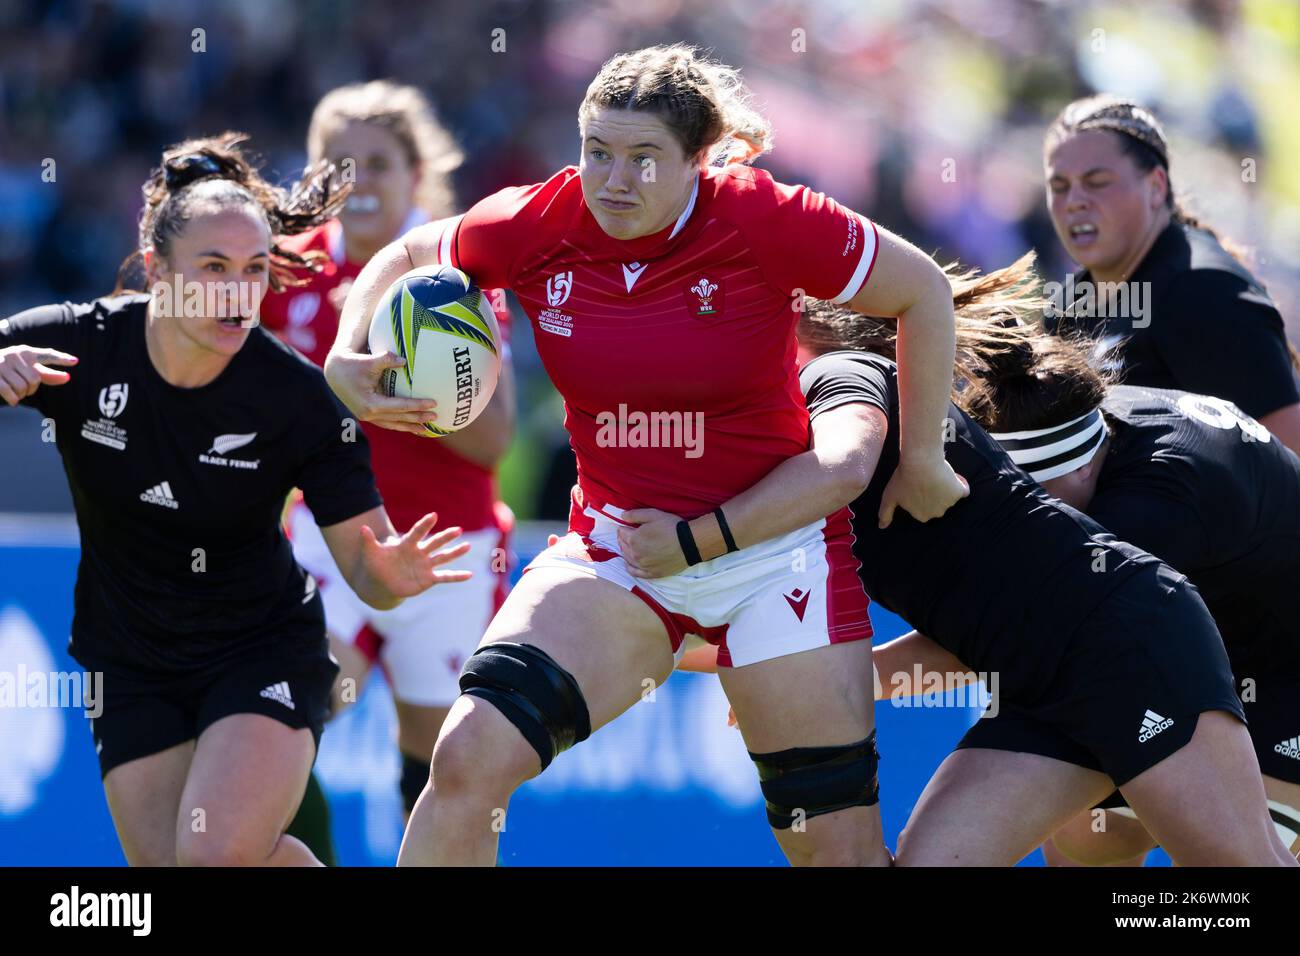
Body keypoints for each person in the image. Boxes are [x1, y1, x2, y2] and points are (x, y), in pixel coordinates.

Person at [327, 44, 970, 867]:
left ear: (698, 162)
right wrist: (349, 353)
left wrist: (921, 458)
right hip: (616, 554)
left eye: (642, 159)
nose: (612, 180)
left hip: (777, 559)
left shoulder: (762, 216)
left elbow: (923, 288)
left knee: (835, 856)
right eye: (596, 150)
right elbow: (414, 254)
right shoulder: (541, 220)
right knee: (463, 765)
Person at [635, 265, 1294, 865]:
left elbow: (844, 468)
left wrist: (694, 545)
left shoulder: (840, 377)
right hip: (1042, 682)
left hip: (1131, 648)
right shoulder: (767, 433)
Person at [0, 134, 470, 866]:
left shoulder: (299, 398)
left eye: (253, 271)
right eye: (212, 268)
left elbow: (367, 564)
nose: (235, 292)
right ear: (158, 271)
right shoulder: (82, 347)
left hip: (261, 651)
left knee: (214, 858)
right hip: (127, 662)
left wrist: (392, 574)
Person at [260, 80, 517, 834]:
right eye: (336, 164)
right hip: (331, 544)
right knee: (280, 729)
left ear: (416, 173)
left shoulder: (449, 274)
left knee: (445, 774)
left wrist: (403, 385)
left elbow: (494, 440)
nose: (357, 182)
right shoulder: (287, 269)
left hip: (449, 551)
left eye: (376, 163)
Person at [962, 326, 1300, 863]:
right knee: (1088, 841)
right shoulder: (1076, 407)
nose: (1023, 516)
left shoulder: (1147, 508)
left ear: (1081, 465)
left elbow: (1000, 634)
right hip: (1196, 632)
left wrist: (852, 679)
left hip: (1281, 670)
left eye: (1032, 497)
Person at [1041, 94, 1300, 453]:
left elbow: (1289, 456)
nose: (1074, 201)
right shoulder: (1068, 304)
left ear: (1156, 186)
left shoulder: (1205, 293)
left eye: (1097, 181)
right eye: (1059, 187)